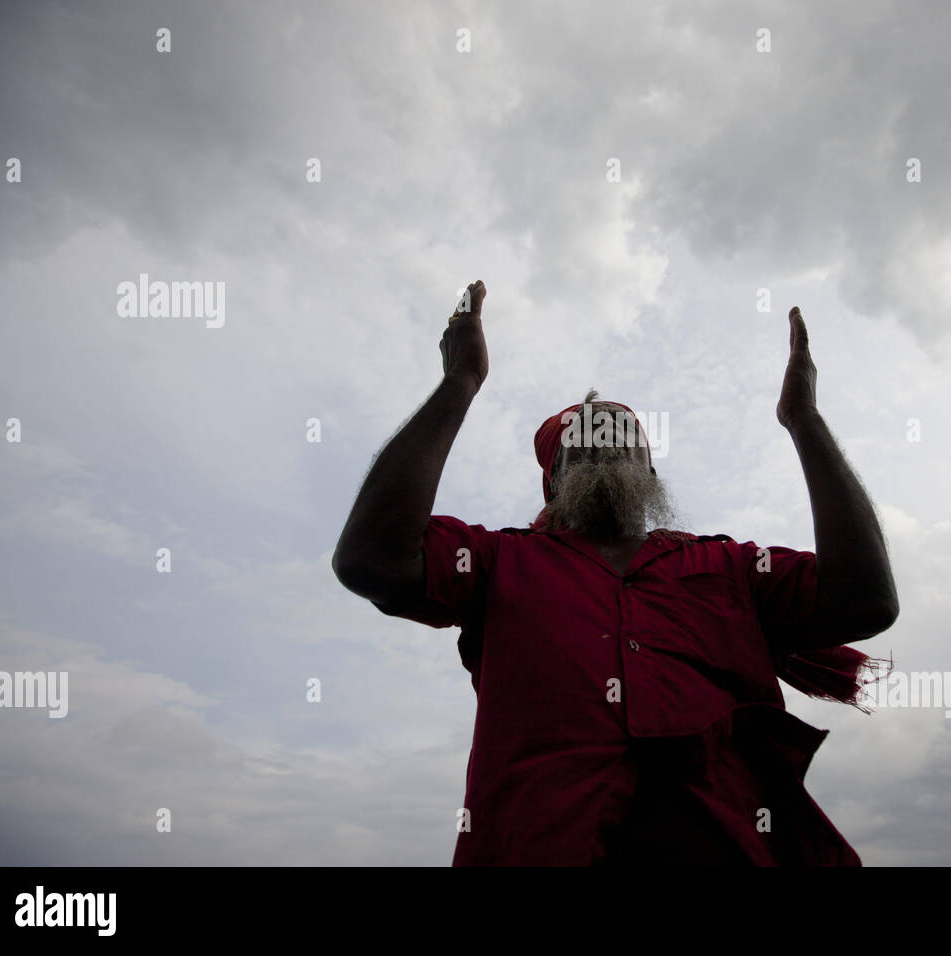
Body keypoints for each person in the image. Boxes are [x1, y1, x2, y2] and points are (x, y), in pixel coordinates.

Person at [332, 279, 899, 865]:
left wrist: (805, 420)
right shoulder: (497, 561)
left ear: (652, 478)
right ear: (553, 482)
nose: (605, 444)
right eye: (583, 440)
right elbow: (370, 559)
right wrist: (459, 383)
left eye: (624, 437)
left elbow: (864, 600)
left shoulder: (732, 566)